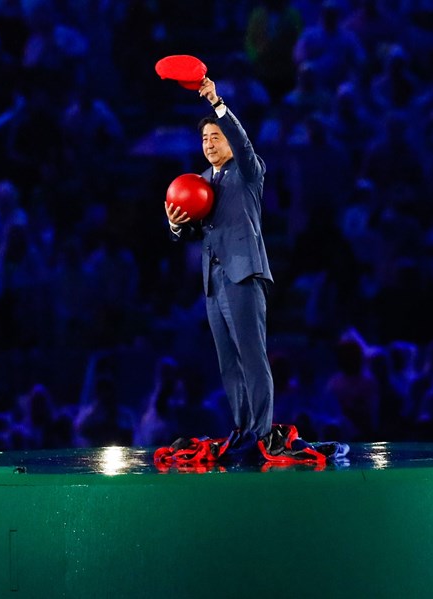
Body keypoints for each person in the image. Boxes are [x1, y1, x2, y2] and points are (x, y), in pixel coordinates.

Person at [165, 77, 274, 455]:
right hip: (214, 280)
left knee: (251, 355)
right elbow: (193, 229)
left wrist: (216, 103)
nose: (209, 144)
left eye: (216, 136)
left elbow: (243, 144)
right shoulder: (203, 182)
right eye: (205, 139)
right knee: (228, 361)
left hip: (244, 273)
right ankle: (243, 427)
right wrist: (177, 224)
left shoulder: (248, 171)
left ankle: (262, 432)